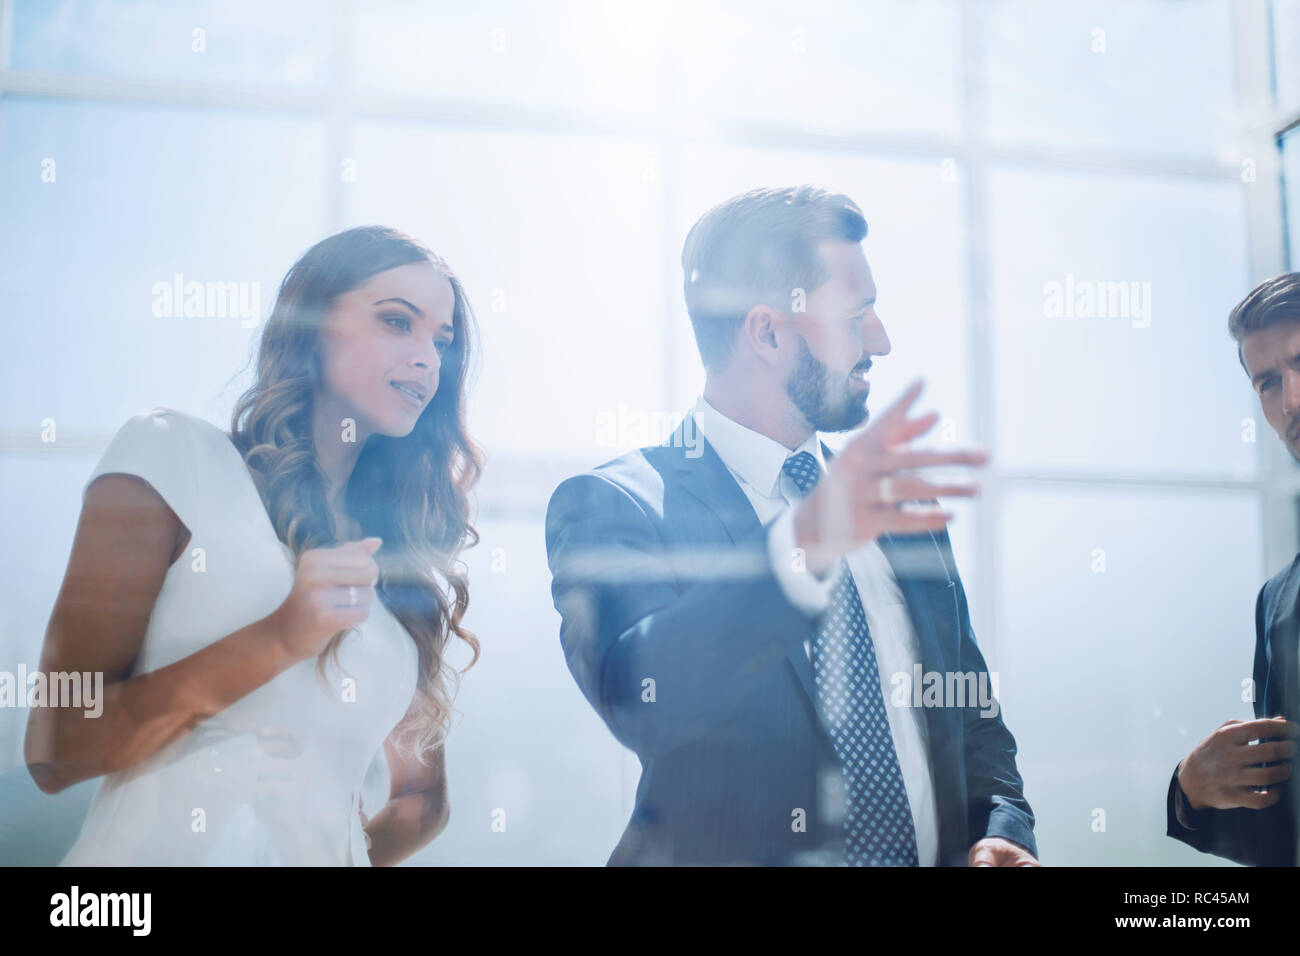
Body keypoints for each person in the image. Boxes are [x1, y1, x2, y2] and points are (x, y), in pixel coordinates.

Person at [544, 185, 1038, 865]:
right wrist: (801, 546)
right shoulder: (615, 506)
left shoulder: (896, 507)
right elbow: (640, 698)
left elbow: (976, 728)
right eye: (857, 315)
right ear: (768, 332)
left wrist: (1001, 833)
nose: (881, 341)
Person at [25, 225, 483, 865]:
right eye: (396, 321)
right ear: (311, 325)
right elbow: (56, 743)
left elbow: (420, 802)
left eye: (442, 340)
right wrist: (279, 639)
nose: (429, 359)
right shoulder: (171, 454)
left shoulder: (396, 564)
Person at [1167, 272, 1300, 865]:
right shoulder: (1279, 603)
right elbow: (1282, 834)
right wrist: (1191, 792)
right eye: (1269, 383)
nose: (1291, 400)